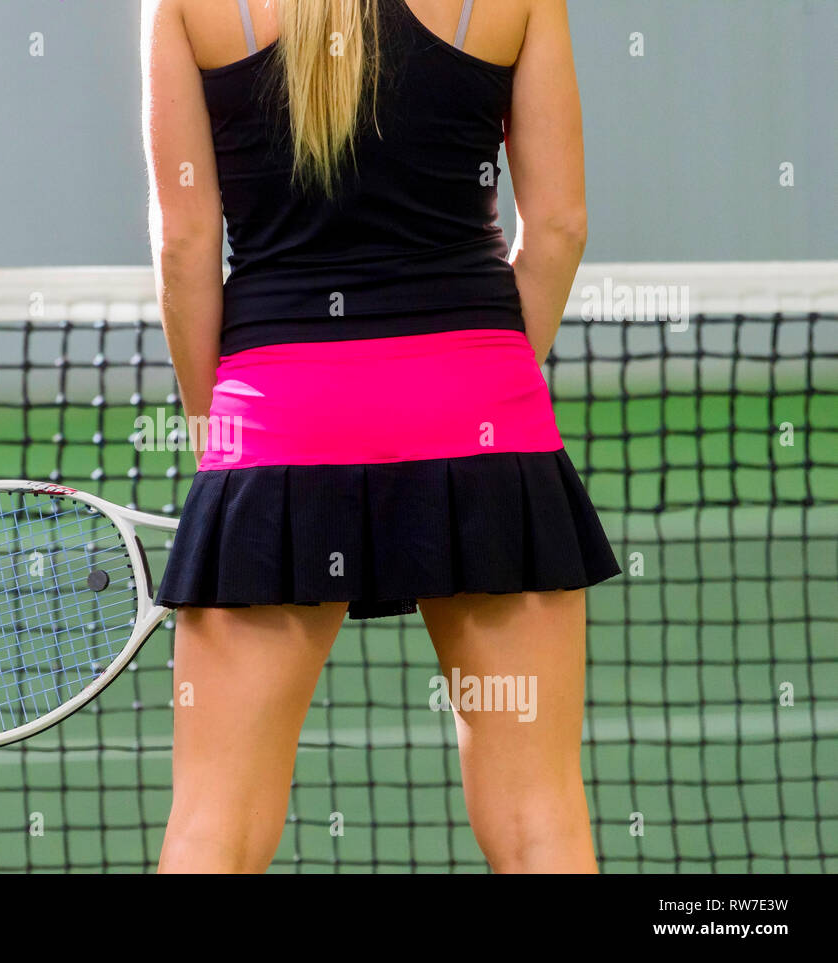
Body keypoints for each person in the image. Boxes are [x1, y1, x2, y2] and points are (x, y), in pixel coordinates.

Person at [140, 0, 620, 873]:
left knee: (214, 827)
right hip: (482, 422)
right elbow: (557, 227)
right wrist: (488, 392)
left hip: (277, 432)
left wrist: (219, 435)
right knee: (540, 823)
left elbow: (183, 245)